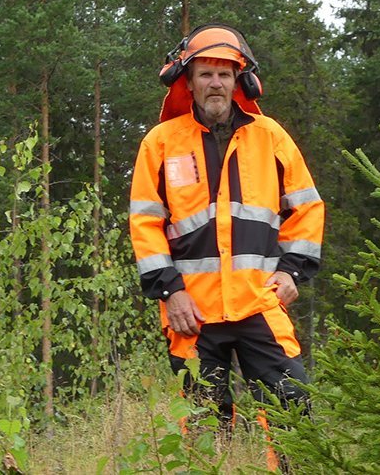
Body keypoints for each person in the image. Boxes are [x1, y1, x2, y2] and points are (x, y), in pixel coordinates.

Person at [129, 24, 324, 454]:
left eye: (224, 73)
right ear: (189, 81)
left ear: (240, 80)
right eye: (205, 74)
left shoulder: (270, 136)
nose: (215, 82)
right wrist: (170, 291)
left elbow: (306, 207)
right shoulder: (160, 143)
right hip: (191, 312)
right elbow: (145, 224)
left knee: (293, 409)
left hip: (258, 301)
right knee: (201, 427)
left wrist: (293, 270)